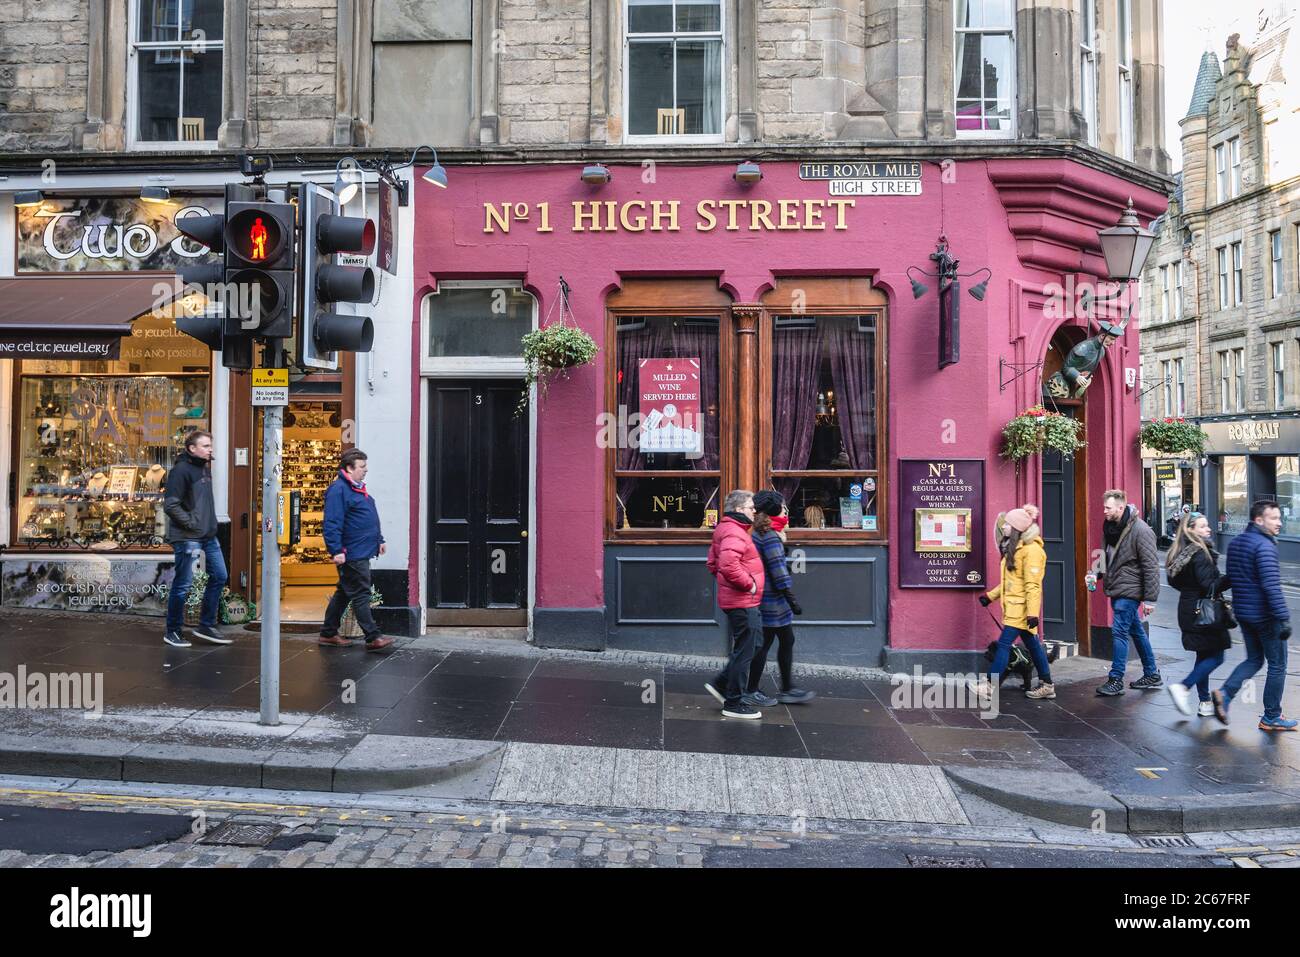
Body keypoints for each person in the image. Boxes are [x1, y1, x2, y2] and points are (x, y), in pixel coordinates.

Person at [1212, 500, 1297, 731]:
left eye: (1280, 518)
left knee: (1254, 659)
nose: (1279, 523)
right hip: (1266, 617)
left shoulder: (1237, 542)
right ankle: (1271, 716)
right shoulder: (1265, 546)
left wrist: (1216, 587)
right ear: (1259, 520)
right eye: (1274, 518)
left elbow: (1232, 576)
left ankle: (1225, 695)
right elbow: (1270, 586)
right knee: (1278, 665)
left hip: (1245, 614)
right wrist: (1283, 617)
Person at [976, 505, 1056, 699]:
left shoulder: (1032, 551)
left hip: (1021, 610)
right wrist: (990, 596)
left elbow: (1033, 585)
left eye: (1007, 525)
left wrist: (1032, 614)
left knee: (1003, 644)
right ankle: (1047, 685)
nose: (1003, 527)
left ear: (1017, 528)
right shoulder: (1016, 549)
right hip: (1015, 606)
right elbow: (1011, 583)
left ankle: (989, 685)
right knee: (1034, 646)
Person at [319, 448, 394, 651]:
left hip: (360, 550)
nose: (366, 470)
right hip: (352, 552)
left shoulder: (357, 488)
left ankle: (328, 633)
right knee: (361, 592)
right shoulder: (338, 490)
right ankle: (372, 637)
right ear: (349, 468)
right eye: (362, 467)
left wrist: (379, 539)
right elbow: (332, 523)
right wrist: (336, 550)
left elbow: (367, 516)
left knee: (344, 591)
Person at [163, 429, 231, 648]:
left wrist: (206, 525)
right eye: (206, 446)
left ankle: (206, 625)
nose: (210, 450)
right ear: (192, 448)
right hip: (187, 537)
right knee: (184, 584)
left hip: (208, 536)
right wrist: (192, 524)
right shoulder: (181, 471)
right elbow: (171, 505)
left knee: (220, 575)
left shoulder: (204, 470)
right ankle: (172, 631)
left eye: (210, 446)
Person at [1090, 489, 1162, 695]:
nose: (1104, 511)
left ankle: (1116, 679)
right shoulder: (1109, 527)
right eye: (1104, 507)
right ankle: (1151, 673)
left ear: (1120, 508)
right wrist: (1095, 573)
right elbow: (1104, 555)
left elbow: (1151, 567)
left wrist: (1150, 599)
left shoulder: (1141, 530)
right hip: (1116, 587)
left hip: (1129, 591)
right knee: (1136, 631)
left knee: (1119, 632)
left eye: (1108, 507)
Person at [746, 491, 815, 704]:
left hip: (768, 597)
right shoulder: (770, 536)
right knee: (766, 644)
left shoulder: (761, 532)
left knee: (781, 640)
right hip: (772, 600)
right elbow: (778, 571)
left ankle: (785, 688)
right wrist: (791, 598)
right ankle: (753, 690)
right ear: (774, 511)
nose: (786, 510)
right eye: (783, 507)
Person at [704, 489, 765, 719]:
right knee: (746, 650)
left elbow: (712, 563)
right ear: (739, 509)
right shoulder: (734, 532)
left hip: (741, 599)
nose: (754, 511)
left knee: (754, 643)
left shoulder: (729, 529)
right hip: (742, 600)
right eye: (751, 507)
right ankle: (733, 702)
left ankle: (721, 683)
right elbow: (727, 566)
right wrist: (748, 584)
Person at [1165, 512, 1232, 718]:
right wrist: (1232, 577)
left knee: (1203, 655)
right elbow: (1209, 585)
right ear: (1191, 529)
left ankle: (1204, 703)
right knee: (1217, 656)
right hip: (1204, 612)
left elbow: (1175, 582)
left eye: (1207, 525)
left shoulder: (1181, 553)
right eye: (1203, 526)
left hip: (1188, 608)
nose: (1208, 529)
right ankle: (1183, 687)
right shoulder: (1200, 553)